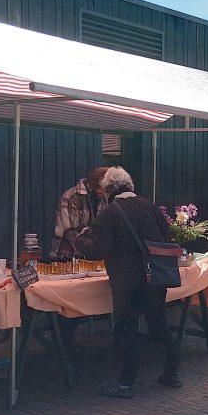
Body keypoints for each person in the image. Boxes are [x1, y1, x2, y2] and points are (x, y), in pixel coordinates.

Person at [73, 166, 180, 398]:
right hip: (155, 276)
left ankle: (125, 385)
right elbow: (167, 232)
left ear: (107, 189)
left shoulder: (110, 212)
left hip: (127, 281)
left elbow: (99, 249)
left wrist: (80, 240)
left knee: (131, 330)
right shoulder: (148, 205)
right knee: (160, 325)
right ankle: (172, 374)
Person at [49, 167, 108, 259]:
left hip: (90, 251)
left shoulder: (103, 197)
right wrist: (92, 250)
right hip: (67, 252)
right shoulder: (71, 196)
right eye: (102, 190)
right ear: (93, 185)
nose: (104, 194)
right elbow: (71, 232)